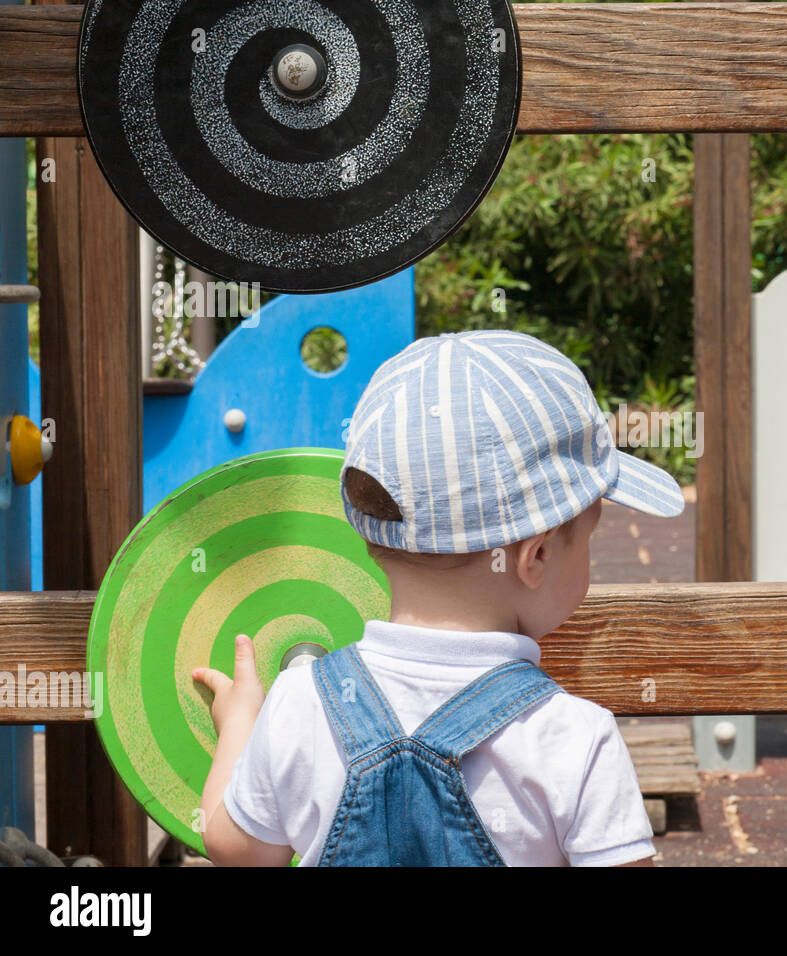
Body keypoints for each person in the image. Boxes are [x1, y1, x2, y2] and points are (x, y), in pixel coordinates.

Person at [191, 330, 686, 866]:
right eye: (589, 536)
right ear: (536, 556)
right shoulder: (573, 738)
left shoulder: (299, 702)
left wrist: (241, 721)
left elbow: (233, 849)